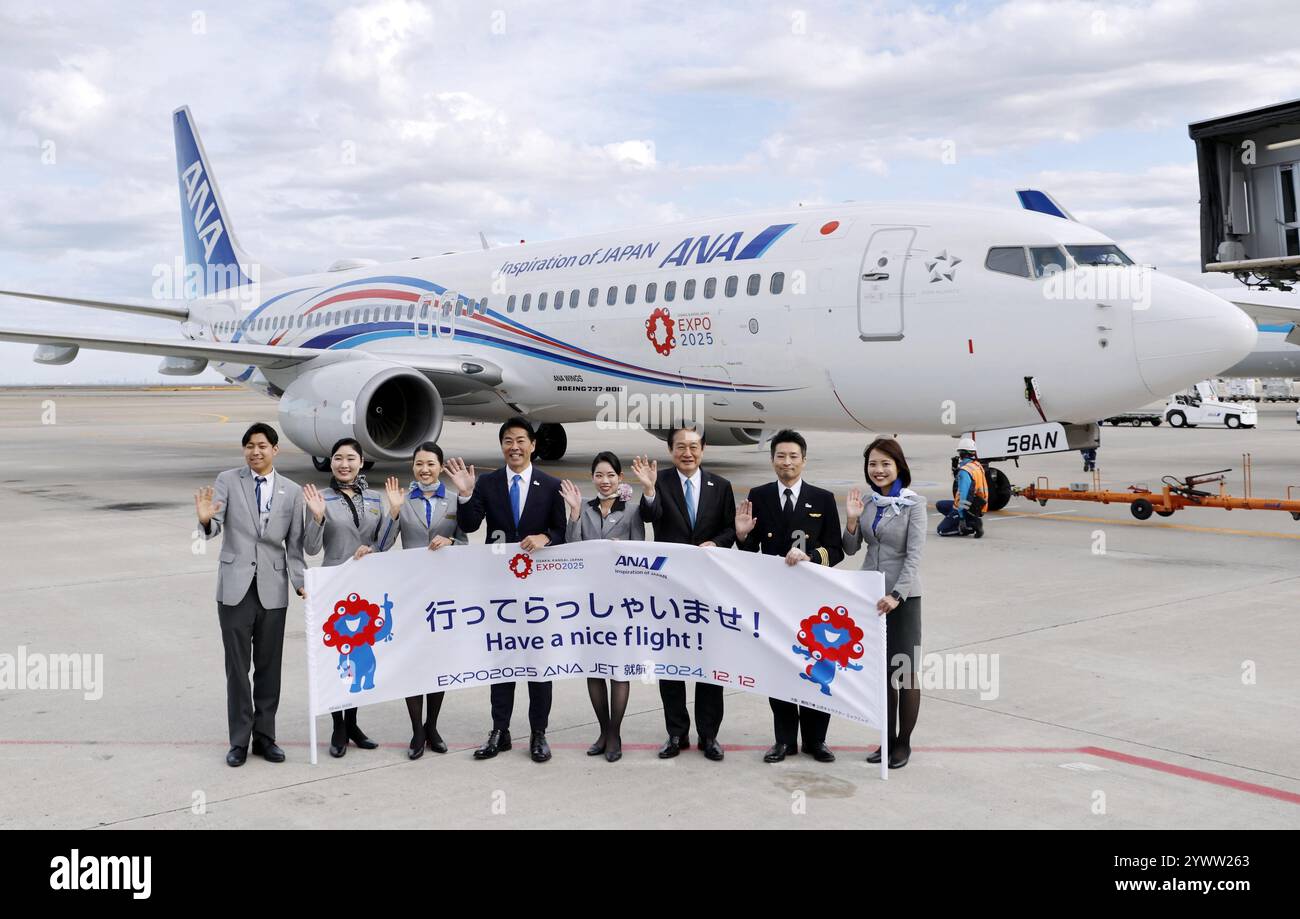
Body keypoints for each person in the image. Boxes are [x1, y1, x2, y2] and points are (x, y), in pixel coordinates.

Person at [445, 417, 567, 763]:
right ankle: (500, 730)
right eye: (508, 441)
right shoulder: (488, 483)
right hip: (498, 587)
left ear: (533, 445)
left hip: (539, 591)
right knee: (502, 659)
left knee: (538, 662)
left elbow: (562, 533)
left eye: (521, 440)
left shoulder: (551, 484)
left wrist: (546, 537)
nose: (514, 447)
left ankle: (539, 733)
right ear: (502, 446)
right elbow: (470, 525)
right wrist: (466, 494)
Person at [194, 422, 306, 767]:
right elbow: (217, 521)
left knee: (270, 668)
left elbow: (297, 545)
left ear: (275, 449)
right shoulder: (229, 480)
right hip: (235, 588)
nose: (254, 452)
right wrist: (206, 522)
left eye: (261, 446)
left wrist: (301, 581)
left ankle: (265, 738)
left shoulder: (292, 490)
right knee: (238, 668)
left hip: (273, 588)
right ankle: (239, 740)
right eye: (248, 446)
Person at [735, 429, 844, 764]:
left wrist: (812, 558)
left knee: (815, 668)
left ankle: (816, 740)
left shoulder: (823, 498)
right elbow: (751, 552)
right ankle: (784, 740)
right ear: (772, 461)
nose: (787, 462)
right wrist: (741, 536)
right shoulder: (759, 495)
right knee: (780, 669)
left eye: (793, 456)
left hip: (813, 602)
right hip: (774, 601)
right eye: (780, 456)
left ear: (804, 460)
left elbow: (837, 550)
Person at [638, 425, 736, 761]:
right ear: (670, 451)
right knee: (673, 662)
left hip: (708, 590)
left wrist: (717, 543)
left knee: (710, 662)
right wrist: (649, 490)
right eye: (680, 447)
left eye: (693, 446)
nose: (687, 453)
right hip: (670, 589)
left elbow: (730, 531)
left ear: (703, 450)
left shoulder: (720, 487)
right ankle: (676, 733)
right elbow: (651, 516)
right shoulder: (660, 482)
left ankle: (709, 735)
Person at [303, 437, 402, 758]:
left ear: (361, 462)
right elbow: (312, 548)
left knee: (362, 657)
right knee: (338, 658)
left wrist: (394, 513)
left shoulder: (374, 499)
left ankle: (354, 724)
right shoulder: (322, 498)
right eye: (337, 458)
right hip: (334, 591)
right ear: (330, 463)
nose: (343, 464)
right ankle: (338, 726)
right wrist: (316, 517)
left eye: (350, 458)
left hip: (366, 591)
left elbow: (384, 543)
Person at [372, 441, 465, 759]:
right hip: (410, 593)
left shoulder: (453, 500)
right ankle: (415, 731)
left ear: (440, 467)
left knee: (438, 662)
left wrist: (451, 539)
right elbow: (382, 545)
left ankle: (432, 727)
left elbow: (466, 544)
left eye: (430, 464)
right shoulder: (403, 500)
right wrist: (394, 511)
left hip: (442, 593)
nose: (424, 469)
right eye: (419, 464)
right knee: (413, 663)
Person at [559, 451, 649, 763]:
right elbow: (571, 549)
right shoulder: (582, 508)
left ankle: (614, 733)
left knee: (618, 668)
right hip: (588, 600)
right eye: (599, 475)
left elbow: (640, 554)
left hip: (620, 601)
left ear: (620, 478)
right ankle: (602, 730)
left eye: (611, 475)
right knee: (594, 668)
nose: (605, 481)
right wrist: (572, 513)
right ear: (592, 477)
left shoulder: (632, 511)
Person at [843, 437, 926, 769]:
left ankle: (903, 743)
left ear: (898, 467)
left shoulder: (914, 504)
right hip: (871, 597)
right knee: (881, 674)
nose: (878, 470)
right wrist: (851, 520)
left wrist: (897, 595)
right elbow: (851, 549)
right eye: (872, 464)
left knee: (903, 673)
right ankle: (886, 740)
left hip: (902, 599)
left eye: (884, 464)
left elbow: (914, 557)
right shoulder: (867, 502)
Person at [936, 437, 986, 538]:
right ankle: (970, 519)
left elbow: (964, 496)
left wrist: (962, 517)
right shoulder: (977, 466)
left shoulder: (965, 471)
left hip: (966, 508)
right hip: (977, 506)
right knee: (940, 505)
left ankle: (969, 526)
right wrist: (955, 471)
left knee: (941, 530)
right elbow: (969, 483)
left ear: (961, 453)